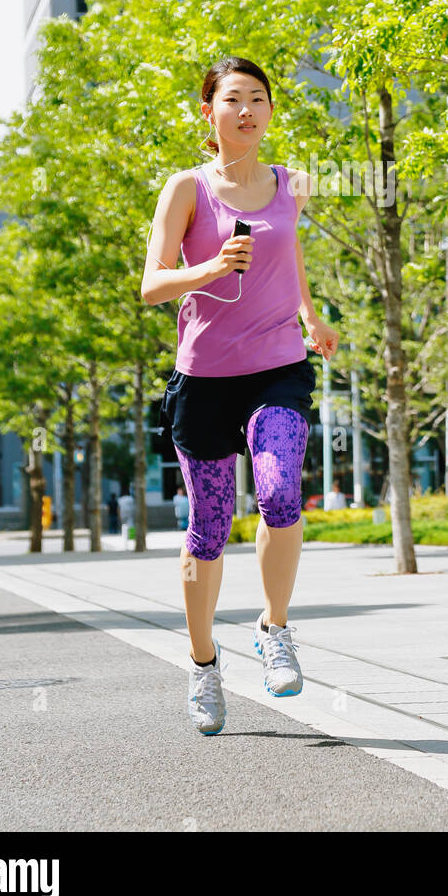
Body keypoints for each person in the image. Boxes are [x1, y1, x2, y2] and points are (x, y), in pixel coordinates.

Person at [141, 56, 340, 735]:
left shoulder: (294, 185)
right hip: (204, 379)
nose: (248, 111)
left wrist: (312, 315)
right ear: (209, 112)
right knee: (211, 528)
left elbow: (290, 259)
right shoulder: (188, 190)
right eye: (234, 100)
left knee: (282, 492)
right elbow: (152, 285)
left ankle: (274, 628)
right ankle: (203, 666)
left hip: (279, 366)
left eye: (259, 99)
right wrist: (210, 266)